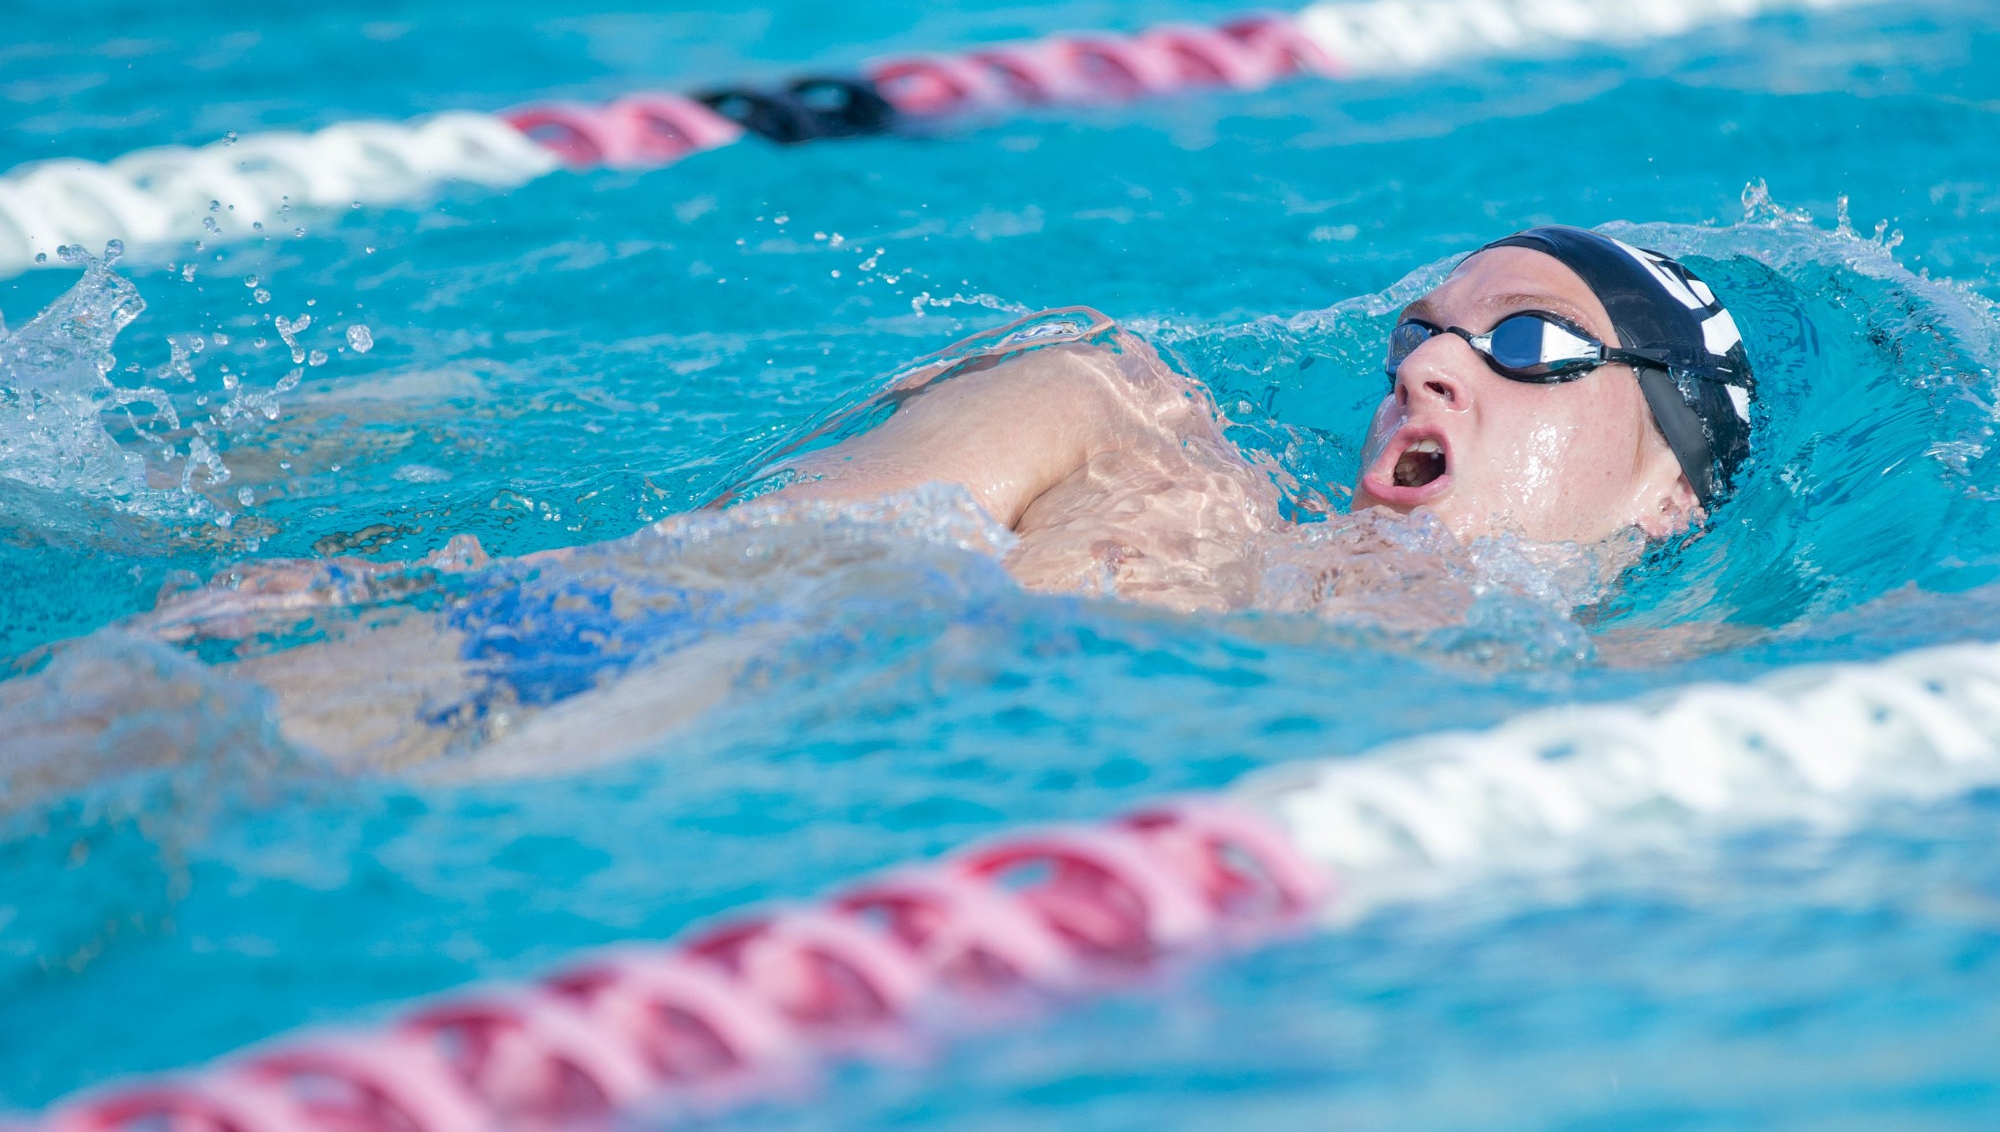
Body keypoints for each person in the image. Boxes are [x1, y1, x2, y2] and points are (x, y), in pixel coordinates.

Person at [16, 225, 1756, 779]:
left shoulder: (1627, 695)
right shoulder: (1123, 430)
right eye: (1416, 332)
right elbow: (692, 583)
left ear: (1674, 482)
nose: (1429, 369)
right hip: (566, 670)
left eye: (1530, 344)